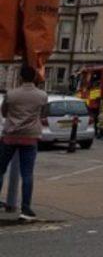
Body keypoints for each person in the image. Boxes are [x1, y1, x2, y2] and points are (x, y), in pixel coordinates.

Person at [0, 65, 48, 222]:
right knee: (27, 174)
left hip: (10, 136)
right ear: (34, 77)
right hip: (30, 137)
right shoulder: (42, 95)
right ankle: (26, 209)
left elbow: (4, 112)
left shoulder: (11, 94)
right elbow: (44, 113)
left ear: (20, 77)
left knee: (1, 170)